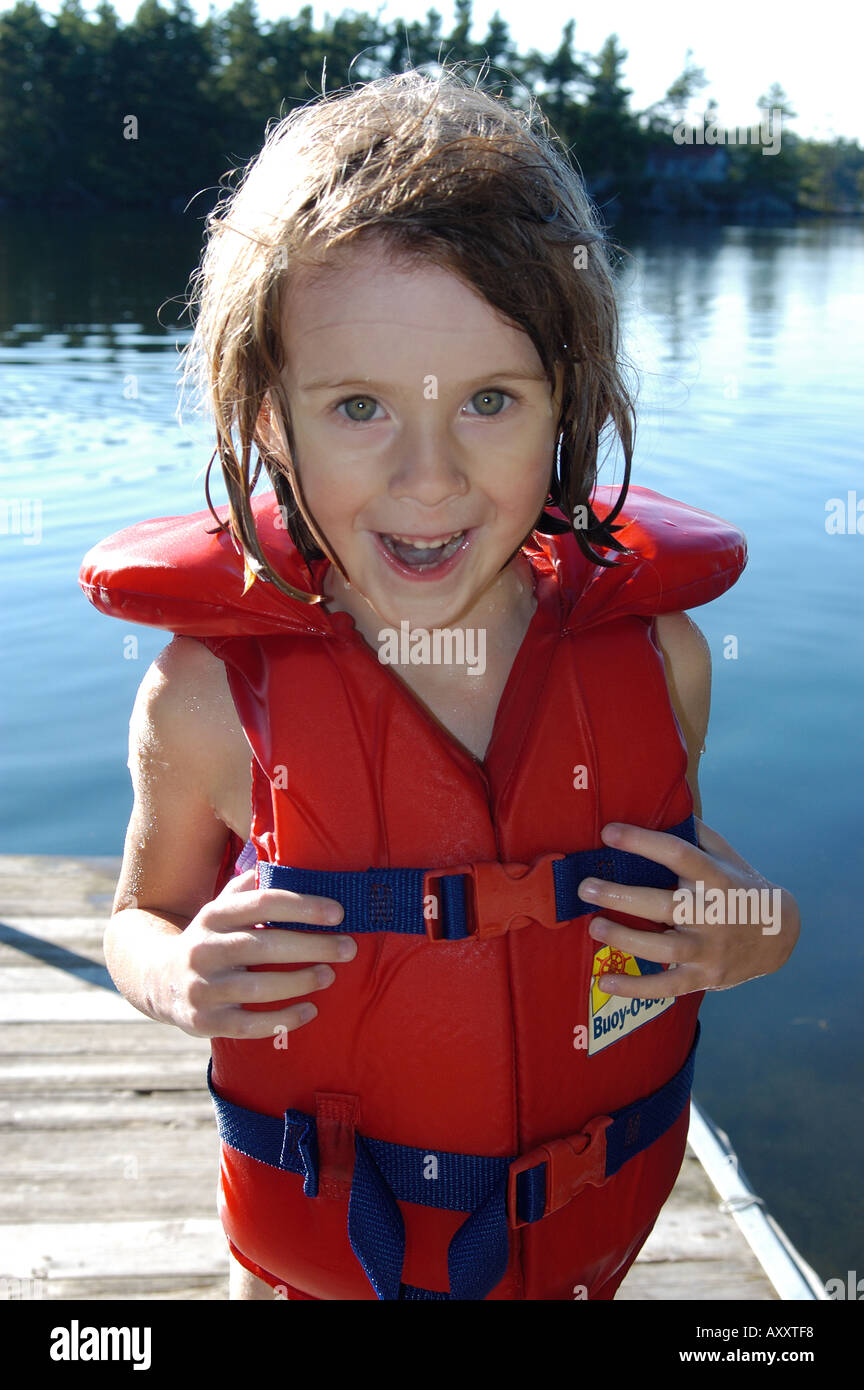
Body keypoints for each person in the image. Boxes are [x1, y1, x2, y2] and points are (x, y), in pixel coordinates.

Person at [81, 67, 800, 1300]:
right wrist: (172, 973)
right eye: (359, 405)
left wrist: (750, 934)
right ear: (269, 415)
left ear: (564, 405)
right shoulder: (208, 697)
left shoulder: (657, 661)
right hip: (322, 1264)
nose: (430, 480)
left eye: (490, 402)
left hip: (573, 1253)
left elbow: (701, 885)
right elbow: (137, 918)